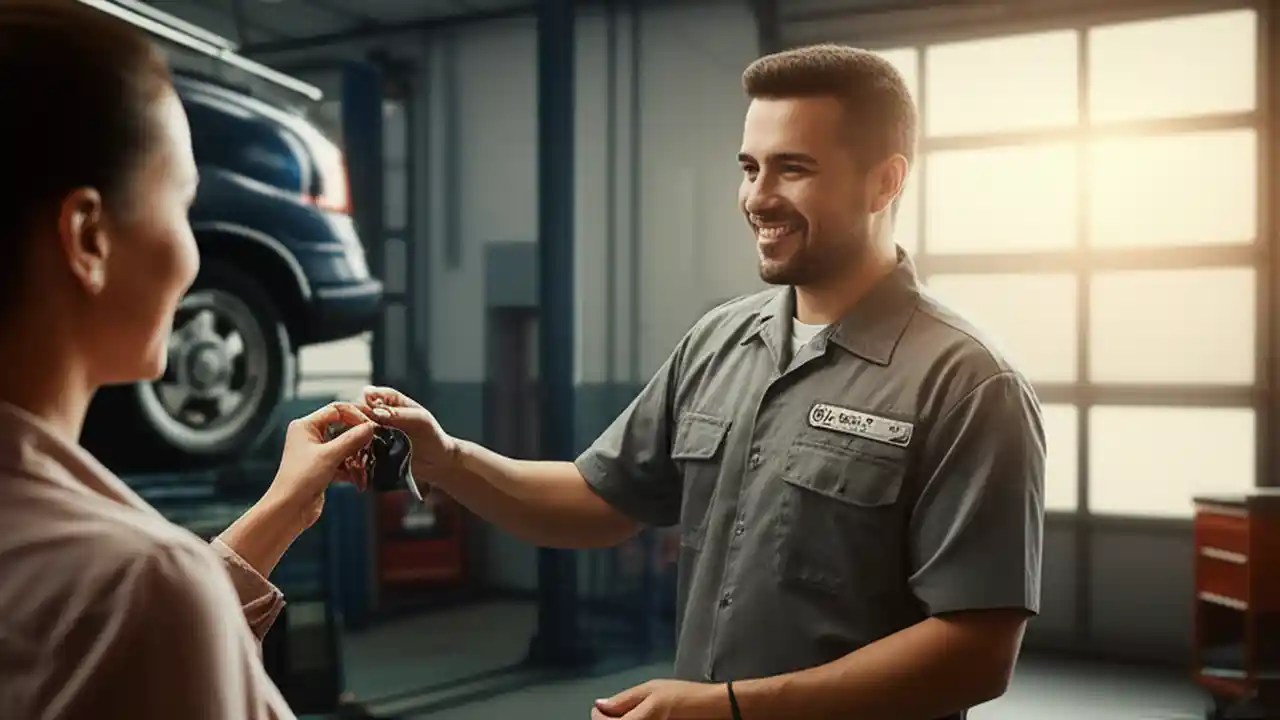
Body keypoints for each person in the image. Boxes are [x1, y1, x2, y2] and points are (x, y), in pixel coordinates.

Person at [365, 44, 1045, 720]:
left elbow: (976, 651)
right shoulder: (719, 341)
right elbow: (598, 500)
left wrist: (730, 709)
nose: (757, 197)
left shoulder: (968, 385)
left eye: (793, 169)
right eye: (749, 168)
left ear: (885, 182)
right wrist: (449, 460)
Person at [0, 3, 378, 718]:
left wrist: (279, 512)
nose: (195, 253)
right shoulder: (140, 586)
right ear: (87, 238)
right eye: (182, 203)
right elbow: (139, 610)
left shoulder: (124, 588)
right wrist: (184, 590)